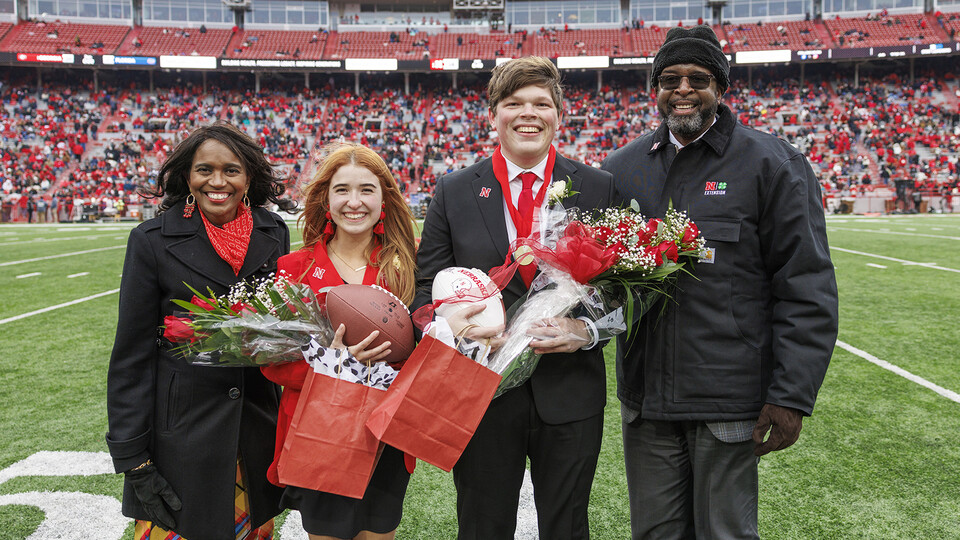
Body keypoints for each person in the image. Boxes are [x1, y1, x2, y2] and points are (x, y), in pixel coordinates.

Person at [601, 25, 839, 539]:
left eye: (698, 78)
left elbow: (806, 285)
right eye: (670, 78)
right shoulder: (622, 169)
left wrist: (792, 394)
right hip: (646, 401)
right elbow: (602, 284)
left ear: (721, 87)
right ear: (655, 88)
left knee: (725, 533)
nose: (683, 89)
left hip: (728, 400)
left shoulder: (772, 163)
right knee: (654, 534)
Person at [414, 56, 617, 539]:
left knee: (567, 529)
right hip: (481, 393)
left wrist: (585, 330)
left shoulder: (597, 186)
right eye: (514, 104)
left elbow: (617, 291)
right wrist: (454, 327)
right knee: (483, 527)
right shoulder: (455, 190)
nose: (528, 114)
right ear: (493, 115)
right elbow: (425, 292)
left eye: (541, 104)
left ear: (558, 114)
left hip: (570, 392)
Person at [106, 123, 296, 540]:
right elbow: (131, 357)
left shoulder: (273, 231)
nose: (217, 181)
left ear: (248, 178)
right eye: (204, 169)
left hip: (255, 427)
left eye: (231, 170)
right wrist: (133, 459)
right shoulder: (151, 240)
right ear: (186, 177)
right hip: (182, 434)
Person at [261, 144, 417, 540]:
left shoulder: (407, 268)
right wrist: (333, 362)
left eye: (366, 189)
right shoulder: (293, 269)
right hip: (320, 430)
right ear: (325, 200)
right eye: (342, 190)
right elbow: (272, 363)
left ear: (384, 199)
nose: (354, 202)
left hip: (386, 433)